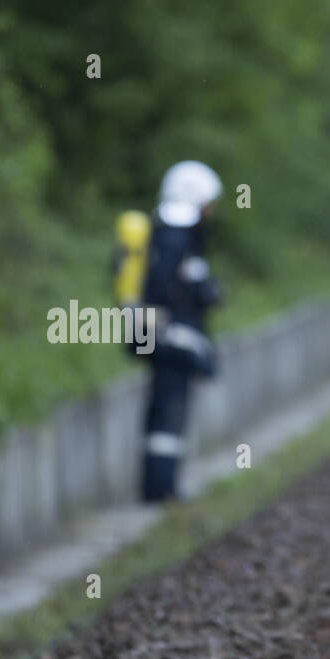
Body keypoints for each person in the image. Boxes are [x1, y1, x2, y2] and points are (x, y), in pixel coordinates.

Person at [138, 160, 224, 502]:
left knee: (164, 414)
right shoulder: (177, 240)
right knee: (167, 416)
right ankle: (161, 491)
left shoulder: (162, 234)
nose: (211, 211)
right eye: (208, 203)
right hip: (171, 344)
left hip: (163, 341)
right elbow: (185, 290)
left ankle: (162, 487)